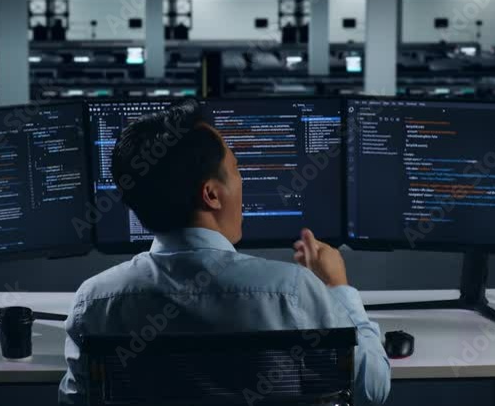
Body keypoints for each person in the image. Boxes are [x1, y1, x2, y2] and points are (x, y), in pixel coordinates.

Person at [58, 100, 390, 404]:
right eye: (236, 169)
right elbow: (371, 389)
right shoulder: (291, 292)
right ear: (212, 195)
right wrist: (337, 288)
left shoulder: (95, 301)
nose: (241, 180)